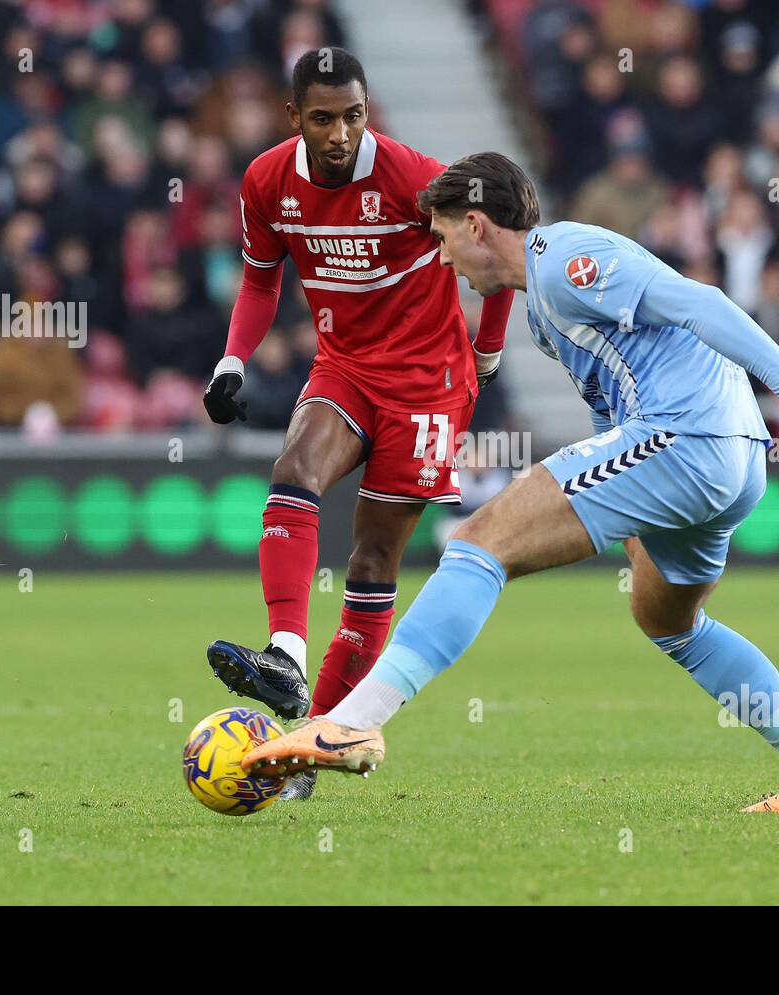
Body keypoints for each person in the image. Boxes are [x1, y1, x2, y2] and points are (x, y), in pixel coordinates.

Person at [241, 152, 779, 813]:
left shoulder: (566, 258)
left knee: (478, 541)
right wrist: (625, 512)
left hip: (688, 436)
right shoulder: (542, 314)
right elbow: (613, 408)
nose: (442, 262)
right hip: (724, 458)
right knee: (668, 620)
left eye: (441, 240)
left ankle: (354, 721)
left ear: (475, 226)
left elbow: (706, 303)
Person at [201, 49, 514, 799]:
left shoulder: (414, 178)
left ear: (367, 110)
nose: (340, 134)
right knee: (293, 472)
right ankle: (283, 652)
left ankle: (313, 739)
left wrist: (490, 347)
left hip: (429, 383)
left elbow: (498, 243)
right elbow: (258, 277)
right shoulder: (267, 181)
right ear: (293, 117)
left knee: (373, 562)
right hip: (344, 365)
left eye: (352, 116)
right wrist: (233, 360)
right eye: (322, 118)